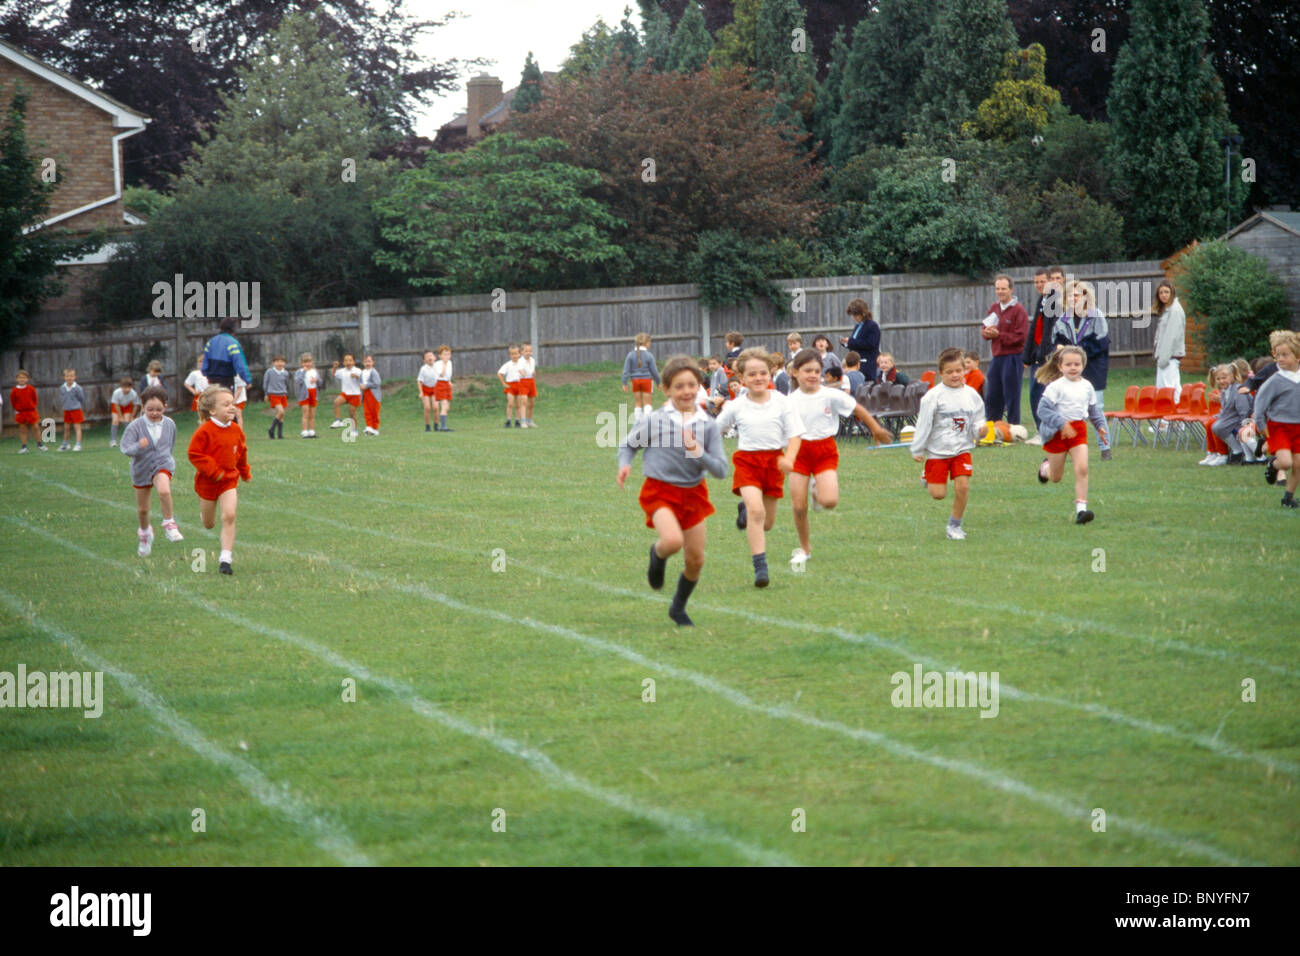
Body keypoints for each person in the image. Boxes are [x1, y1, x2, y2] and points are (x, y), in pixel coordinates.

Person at [617, 355, 728, 626]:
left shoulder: (707, 425)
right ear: (667, 390)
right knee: (672, 541)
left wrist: (698, 453)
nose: (686, 391)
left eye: (691, 385)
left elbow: (721, 471)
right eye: (679, 386)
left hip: (693, 494)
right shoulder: (656, 421)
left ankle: (677, 607)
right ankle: (657, 555)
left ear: (699, 387)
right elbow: (629, 445)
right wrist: (625, 465)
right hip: (659, 490)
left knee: (696, 560)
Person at [787, 348, 892, 564]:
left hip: (824, 451)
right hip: (798, 452)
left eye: (817, 371)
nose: (813, 375)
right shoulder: (789, 401)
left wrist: (876, 429)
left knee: (830, 501)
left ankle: (817, 491)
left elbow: (858, 409)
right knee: (798, 507)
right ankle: (805, 549)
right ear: (795, 372)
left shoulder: (830, 395)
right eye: (807, 370)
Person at [714, 348, 804, 587]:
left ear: (771, 373)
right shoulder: (736, 406)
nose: (758, 378)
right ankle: (760, 568)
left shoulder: (783, 402)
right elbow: (715, 430)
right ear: (741, 378)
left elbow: (795, 435)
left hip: (774, 463)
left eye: (763, 373)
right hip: (747, 462)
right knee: (757, 513)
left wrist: (790, 459)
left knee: (767, 523)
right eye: (752, 374)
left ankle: (744, 508)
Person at [910, 348, 985, 540]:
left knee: (963, 487)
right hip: (937, 451)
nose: (955, 375)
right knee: (938, 494)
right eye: (949, 372)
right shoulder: (933, 397)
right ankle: (927, 474)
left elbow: (977, 420)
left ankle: (954, 526)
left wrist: (980, 431)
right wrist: (917, 448)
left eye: (958, 370)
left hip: (962, 448)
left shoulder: (972, 395)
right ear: (941, 373)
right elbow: (923, 424)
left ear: (964, 371)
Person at [1035, 345, 1107, 524]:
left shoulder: (1087, 386)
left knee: (1082, 468)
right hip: (1057, 433)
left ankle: (1081, 511)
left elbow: (1093, 410)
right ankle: (1045, 469)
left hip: (1078, 431)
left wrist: (1099, 426)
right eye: (1068, 364)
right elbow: (1042, 410)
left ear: (1083, 365)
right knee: (1056, 477)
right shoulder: (1055, 387)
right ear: (1060, 367)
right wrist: (1062, 423)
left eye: (1077, 364)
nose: (1073, 367)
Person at [188, 385, 250, 574]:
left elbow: (240, 452)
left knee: (229, 515)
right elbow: (194, 454)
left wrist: (244, 471)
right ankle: (204, 515)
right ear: (213, 410)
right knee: (209, 524)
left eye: (233, 403)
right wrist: (213, 471)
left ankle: (225, 559)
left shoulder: (236, 430)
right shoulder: (204, 431)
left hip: (228, 480)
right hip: (207, 483)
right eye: (226, 404)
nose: (232, 407)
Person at [1053, 279, 1112, 460]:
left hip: (1094, 368)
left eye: (1077, 295)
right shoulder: (1062, 319)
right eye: (1070, 295)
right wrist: (1060, 348)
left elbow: (1101, 343)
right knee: (1069, 408)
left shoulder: (1096, 315)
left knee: (1097, 408)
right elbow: (1056, 340)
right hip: (1070, 370)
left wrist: (1076, 352)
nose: (1073, 298)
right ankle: (1071, 448)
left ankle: (1105, 448)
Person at [120, 387, 182, 556]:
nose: (154, 413)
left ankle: (169, 524)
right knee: (143, 509)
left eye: (158, 409)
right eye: (150, 409)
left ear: (165, 407)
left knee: (164, 490)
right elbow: (125, 448)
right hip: (141, 469)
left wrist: (165, 459)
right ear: (142, 407)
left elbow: (170, 445)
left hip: (162, 464)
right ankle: (145, 534)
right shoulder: (135, 426)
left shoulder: (169, 424)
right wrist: (139, 446)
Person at [1248, 330, 1300, 506]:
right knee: (1285, 463)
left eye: (1286, 355)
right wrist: (1262, 426)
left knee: (1298, 465)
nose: (1281, 359)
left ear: (1298, 357)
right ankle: (1273, 466)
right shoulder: (1275, 381)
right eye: (1278, 355)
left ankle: (1288, 498)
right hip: (1279, 427)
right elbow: (1260, 404)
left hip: (1298, 428)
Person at [979, 274, 1029, 426]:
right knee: (992, 394)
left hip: (1013, 357)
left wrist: (999, 335)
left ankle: (1013, 427)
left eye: (1003, 289)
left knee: (1012, 395)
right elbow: (985, 328)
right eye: (997, 289)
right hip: (997, 357)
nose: (1000, 292)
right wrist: (986, 333)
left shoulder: (1018, 310)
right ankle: (992, 427)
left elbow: (1021, 337)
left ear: (1011, 290)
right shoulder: (994, 308)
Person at [1022, 267, 1062, 441]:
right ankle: (1041, 431)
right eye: (1036, 282)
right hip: (1037, 356)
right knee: (1034, 394)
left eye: (1042, 281)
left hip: (1048, 357)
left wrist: (1047, 355)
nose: (1039, 285)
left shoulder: (1056, 301)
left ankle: (1048, 432)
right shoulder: (1043, 299)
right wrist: (1027, 355)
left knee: (1045, 395)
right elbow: (1034, 329)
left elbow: (1051, 332)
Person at [1151, 279, 1185, 402]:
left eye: (1166, 292)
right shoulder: (1167, 310)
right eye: (1161, 293)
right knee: (1173, 389)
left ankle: (1168, 419)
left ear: (1172, 293)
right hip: (1165, 357)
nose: (1164, 295)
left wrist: (1163, 360)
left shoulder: (1175, 310)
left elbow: (1171, 337)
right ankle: (1177, 420)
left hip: (1169, 357)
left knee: (1168, 390)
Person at [200, 316, 251, 389]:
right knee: (226, 399)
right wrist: (247, 380)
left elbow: (205, 363)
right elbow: (240, 365)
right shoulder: (233, 343)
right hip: (226, 380)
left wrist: (205, 373)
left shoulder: (211, 342)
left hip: (212, 381)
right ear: (233, 329)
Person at [621, 333, 659, 424]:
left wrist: (624, 382)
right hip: (646, 381)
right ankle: (647, 423)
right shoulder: (649, 355)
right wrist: (658, 382)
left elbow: (626, 370)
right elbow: (654, 371)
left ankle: (638, 423)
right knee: (647, 403)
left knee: (638, 403)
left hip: (635, 381)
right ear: (646, 343)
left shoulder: (630, 355)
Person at [840, 298, 880, 374]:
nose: (854, 318)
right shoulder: (858, 326)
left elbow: (870, 343)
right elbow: (856, 343)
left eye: (855, 315)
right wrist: (846, 343)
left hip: (866, 364)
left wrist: (850, 341)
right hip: (855, 364)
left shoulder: (872, 326)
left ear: (863, 313)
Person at [10, 369, 45, 453]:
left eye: (24, 377)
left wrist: (32, 407)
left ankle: (40, 444)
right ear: (16, 379)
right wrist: (17, 409)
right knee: (23, 429)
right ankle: (24, 447)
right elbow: (13, 401)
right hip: (21, 412)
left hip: (31, 412)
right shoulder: (14, 390)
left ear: (27, 379)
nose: (22, 379)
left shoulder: (31, 389)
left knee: (36, 428)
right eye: (20, 377)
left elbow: (35, 399)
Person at [329, 354, 363, 431]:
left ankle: (354, 430)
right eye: (346, 360)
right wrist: (334, 367)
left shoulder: (358, 371)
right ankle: (338, 420)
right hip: (345, 393)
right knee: (336, 402)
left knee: (352, 414)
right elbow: (334, 374)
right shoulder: (342, 371)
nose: (348, 362)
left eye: (350, 360)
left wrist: (357, 377)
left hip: (355, 394)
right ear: (343, 363)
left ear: (354, 362)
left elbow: (363, 381)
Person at [262, 355, 291, 439]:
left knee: (281, 415)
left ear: (284, 363)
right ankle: (271, 429)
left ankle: (280, 434)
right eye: (277, 361)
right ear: (273, 363)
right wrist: (266, 394)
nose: (279, 363)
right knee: (281, 411)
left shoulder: (285, 373)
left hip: (282, 394)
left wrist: (286, 393)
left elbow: (286, 383)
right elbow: (265, 383)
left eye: (282, 361)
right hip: (273, 394)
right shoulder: (269, 372)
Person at [57, 368, 85, 452]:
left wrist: (76, 405)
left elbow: (81, 398)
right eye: (67, 376)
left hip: (76, 409)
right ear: (64, 377)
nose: (69, 378)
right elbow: (62, 398)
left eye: (71, 376)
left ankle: (78, 444)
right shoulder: (62, 388)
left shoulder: (77, 388)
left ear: (75, 377)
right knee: (66, 428)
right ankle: (65, 444)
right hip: (67, 410)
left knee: (77, 427)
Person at [294, 352, 321, 438]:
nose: (307, 364)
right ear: (302, 363)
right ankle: (304, 431)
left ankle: (312, 431)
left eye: (309, 362)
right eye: (305, 362)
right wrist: (304, 373)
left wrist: (316, 380)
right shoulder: (300, 371)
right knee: (305, 413)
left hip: (313, 393)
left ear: (312, 362)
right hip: (304, 395)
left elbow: (320, 382)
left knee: (312, 414)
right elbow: (298, 381)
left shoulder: (315, 371)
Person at [498, 343, 525, 428]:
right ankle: (508, 420)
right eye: (512, 354)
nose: (514, 355)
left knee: (518, 405)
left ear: (519, 353)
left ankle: (517, 421)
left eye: (516, 353)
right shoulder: (508, 365)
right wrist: (503, 383)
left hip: (519, 385)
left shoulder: (522, 364)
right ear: (510, 355)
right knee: (510, 404)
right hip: (510, 385)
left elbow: (526, 374)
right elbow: (499, 373)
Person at [108, 377, 138, 448]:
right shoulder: (116, 393)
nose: (127, 389)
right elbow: (116, 405)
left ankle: (129, 440)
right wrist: (120, 416)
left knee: (127, 421)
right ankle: (113, 440)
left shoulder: (133, 393)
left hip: (127, 406)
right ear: (121, 387)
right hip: (117, 407)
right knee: (115, 421)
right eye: (125, 388)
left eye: (128, 387)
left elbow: (136, 405)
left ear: (131, 387)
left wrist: (132, 416)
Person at [360, 354, 382, 436]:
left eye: (369, 361)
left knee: (374, 411)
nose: (367, 363)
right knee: (367, 411)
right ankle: (369, 427)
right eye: (365, 362)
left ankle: (375, 428)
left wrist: (367, 385)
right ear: (363, 363)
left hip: (373, 394)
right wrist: (361, 386)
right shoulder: (362, 372)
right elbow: (360, 382)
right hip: (365, 394)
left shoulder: (374, 372)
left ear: (373, 362)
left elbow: (377, 383)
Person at [518, 343, 538, 427]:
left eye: (530, 351)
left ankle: (529, 420)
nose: (528, 353)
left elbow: (532, 371)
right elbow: (520, 370)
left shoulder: (532, 360)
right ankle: (523, 421)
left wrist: (533, 373)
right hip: (523, 382)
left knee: (532, 403)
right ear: (521, 352)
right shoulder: (520, 361)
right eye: (526, 351)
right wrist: (522, 372)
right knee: (524, 402)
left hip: (531, 382)